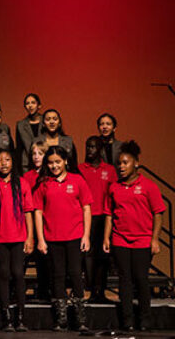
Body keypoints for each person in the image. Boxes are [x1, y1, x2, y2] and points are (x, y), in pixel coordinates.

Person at [104, 140, 165, 331]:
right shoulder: (114, 187)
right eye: (119, 163)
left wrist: (154, 239)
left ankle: (144, 320)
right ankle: (127, 320)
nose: (121, 167)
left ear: (136, 163)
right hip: (120, 239)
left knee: (141, 279)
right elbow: (109, 214)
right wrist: (106, 238)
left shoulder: (148, 186)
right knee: (124, 280)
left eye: (125, 163)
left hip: (142, 240)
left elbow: (158, 213)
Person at [33, 145, 92, 331]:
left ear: (66, 161)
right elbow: (37, 212)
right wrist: (40, 239)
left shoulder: (77, 180)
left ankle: (80, 319)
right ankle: (62, 319)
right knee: (57, 276)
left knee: (76, 273)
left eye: (58, 162)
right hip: (52, 238)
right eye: (50, 163)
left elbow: (86, 209)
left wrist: (86, 236)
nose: (54, 166)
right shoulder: (43, 183)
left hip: (74, 236)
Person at [0, 148, 34, 331]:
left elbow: (28, 212)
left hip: (19, 237)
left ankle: (20, 317)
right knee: (3, 273)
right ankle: (6, 317)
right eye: (0, 160)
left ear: (13, 162)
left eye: (7, 160)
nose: (4, 164)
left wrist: (30, 237)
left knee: (18, 274)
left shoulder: (21, 184)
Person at [80, 135, 114, 302]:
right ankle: (91, 291)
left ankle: (101, 292)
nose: (90, 150)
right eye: (88, 146)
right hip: (86, 218)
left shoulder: (109, 170)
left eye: (93, 147)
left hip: (104, 218)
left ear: (100, 149)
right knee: (88, 256)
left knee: (103, 256)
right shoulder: (80, 169)